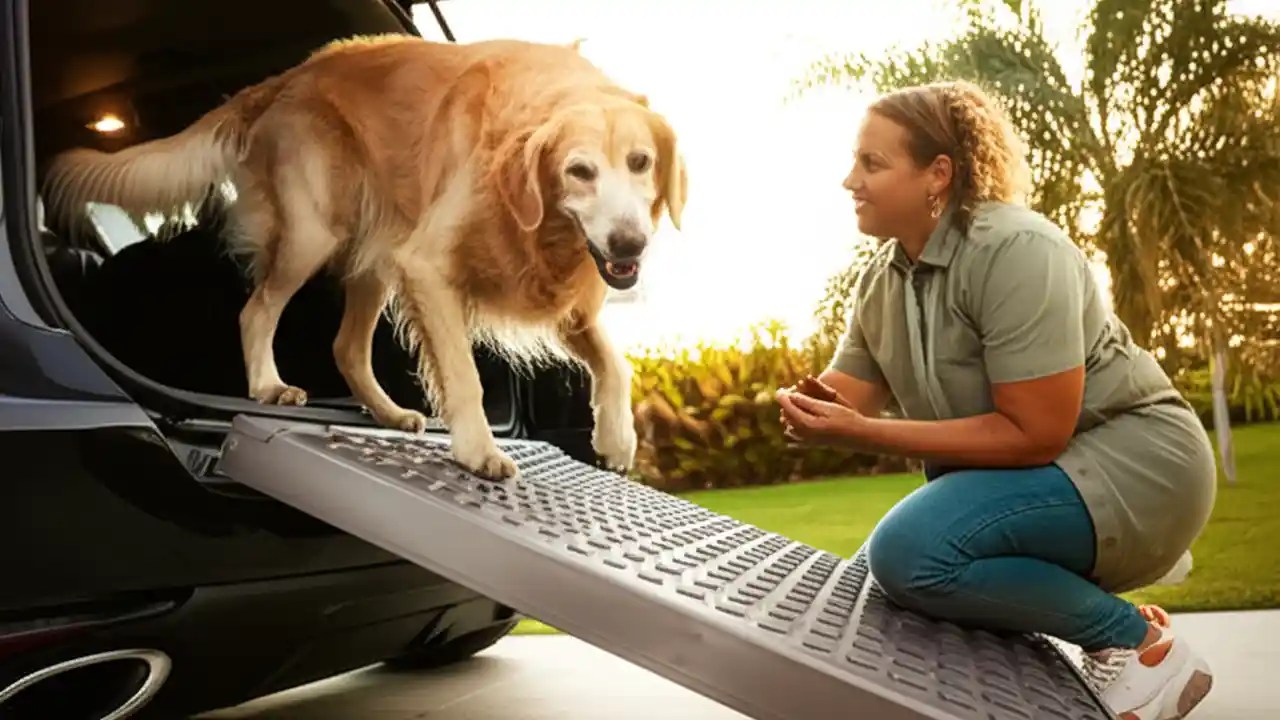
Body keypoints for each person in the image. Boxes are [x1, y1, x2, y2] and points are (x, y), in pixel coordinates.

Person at [775, 80, 1217, 720]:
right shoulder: (881, 280)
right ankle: (1075, 642)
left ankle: (1136, 643)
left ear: (938, 175)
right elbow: (850, 390)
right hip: (1043, 482)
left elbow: (1036, 432)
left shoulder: (1016, 250)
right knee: (868, 583)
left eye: (872, 163)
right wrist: (808, 406)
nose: (850, 180)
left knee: (909, 553)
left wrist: (862, 434)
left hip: (1141, 467)